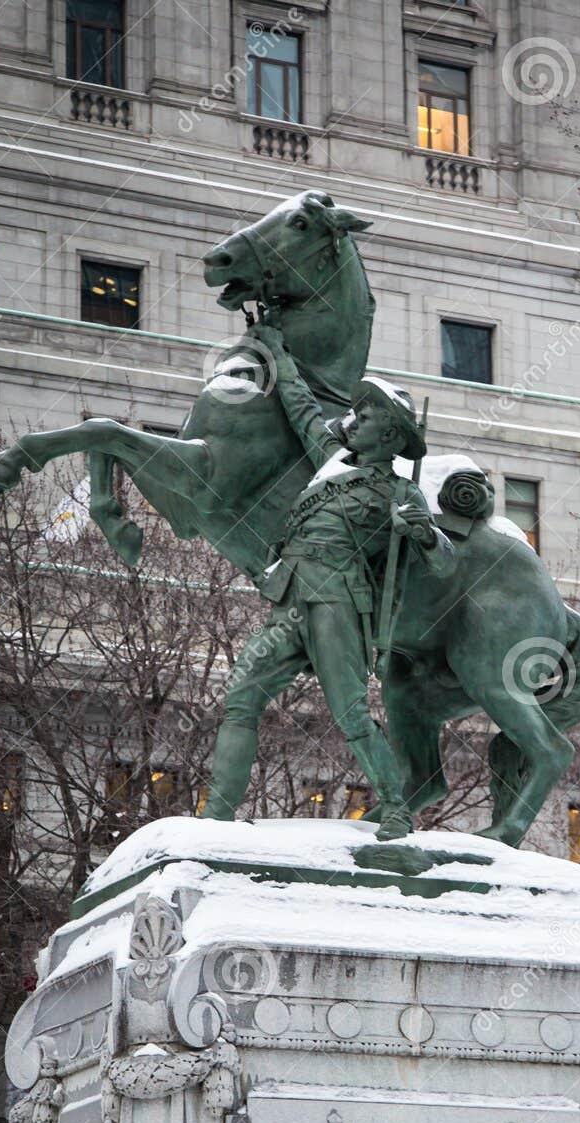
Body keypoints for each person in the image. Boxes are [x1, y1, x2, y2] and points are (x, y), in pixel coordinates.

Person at [202, 324, 452, 839]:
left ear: (389, 434)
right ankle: (214, 820)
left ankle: (397, 808)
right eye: (356, 413)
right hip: (290, 599)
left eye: (365, 417)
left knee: (350, 714)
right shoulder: (330, 464)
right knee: (242, 696)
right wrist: (276, 351)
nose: (352, 422)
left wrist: (422, 532)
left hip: (338, 603)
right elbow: (299, 407)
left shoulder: (400, 492)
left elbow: (444, 561)